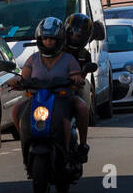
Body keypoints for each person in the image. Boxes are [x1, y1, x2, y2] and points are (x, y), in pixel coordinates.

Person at [12, 17, 90, 161]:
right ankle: (26, 142)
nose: (48, 41)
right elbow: (23, 78)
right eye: (45, 38)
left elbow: (76, 75)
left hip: (62, 99)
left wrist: (77, 79)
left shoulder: (68, 59)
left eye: (52, 38)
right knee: (16, 109)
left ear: (60, 39)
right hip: (36, 99)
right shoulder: (33, 59)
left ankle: (82, 145)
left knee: (82, 106)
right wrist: (16, 81)